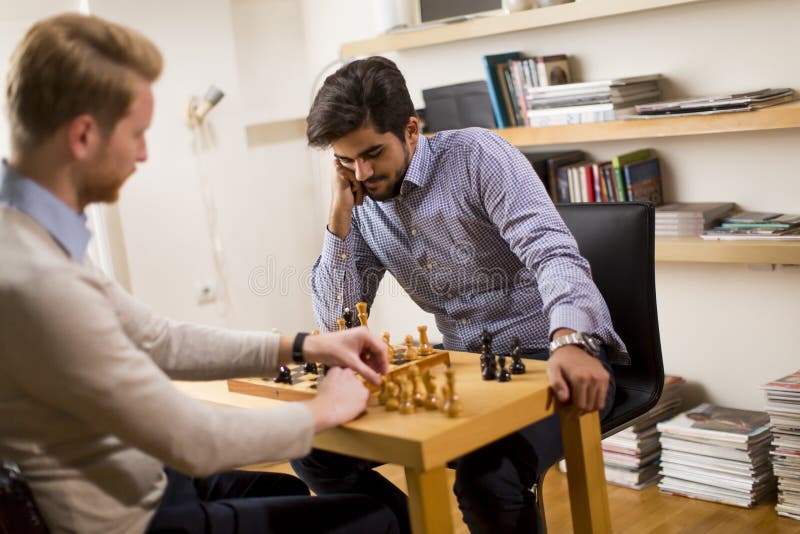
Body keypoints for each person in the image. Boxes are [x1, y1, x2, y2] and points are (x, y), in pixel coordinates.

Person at [0, 14, 400, 534]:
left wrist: (307, 346)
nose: (143, 154)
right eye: (138, 134)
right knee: (380, 518)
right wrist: (321, 411)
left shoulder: (28, 235)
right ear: (82, 135)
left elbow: (158, 340)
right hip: (134, 520)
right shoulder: (36, 281)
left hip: (148, 480)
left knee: (286, 487)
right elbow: (192, 438)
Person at [291, 56, 629, 533]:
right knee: (315, 453)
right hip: (466, 368)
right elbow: (337, 320)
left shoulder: (478, 156)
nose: (361, 173)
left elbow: (552, 254)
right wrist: (338, 214)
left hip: (552, 356)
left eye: (372, 154)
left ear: (410, 130)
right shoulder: (360, 199)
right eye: (346, 160)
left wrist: (571, 339)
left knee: (486, 480)